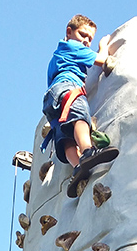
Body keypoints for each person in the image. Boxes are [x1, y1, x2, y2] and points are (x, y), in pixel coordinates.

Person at [43, 14, 118, 197]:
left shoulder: (58, 55)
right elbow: (101, 61)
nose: (86, 41)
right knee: (79, 116)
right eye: (83, 35)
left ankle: (77, 167)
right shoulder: (73, 47)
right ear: (69, 32)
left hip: (51, 100)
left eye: (90, 39)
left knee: (65, 137)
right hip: (68, 88)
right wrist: (103, 46)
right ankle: (87, 151)